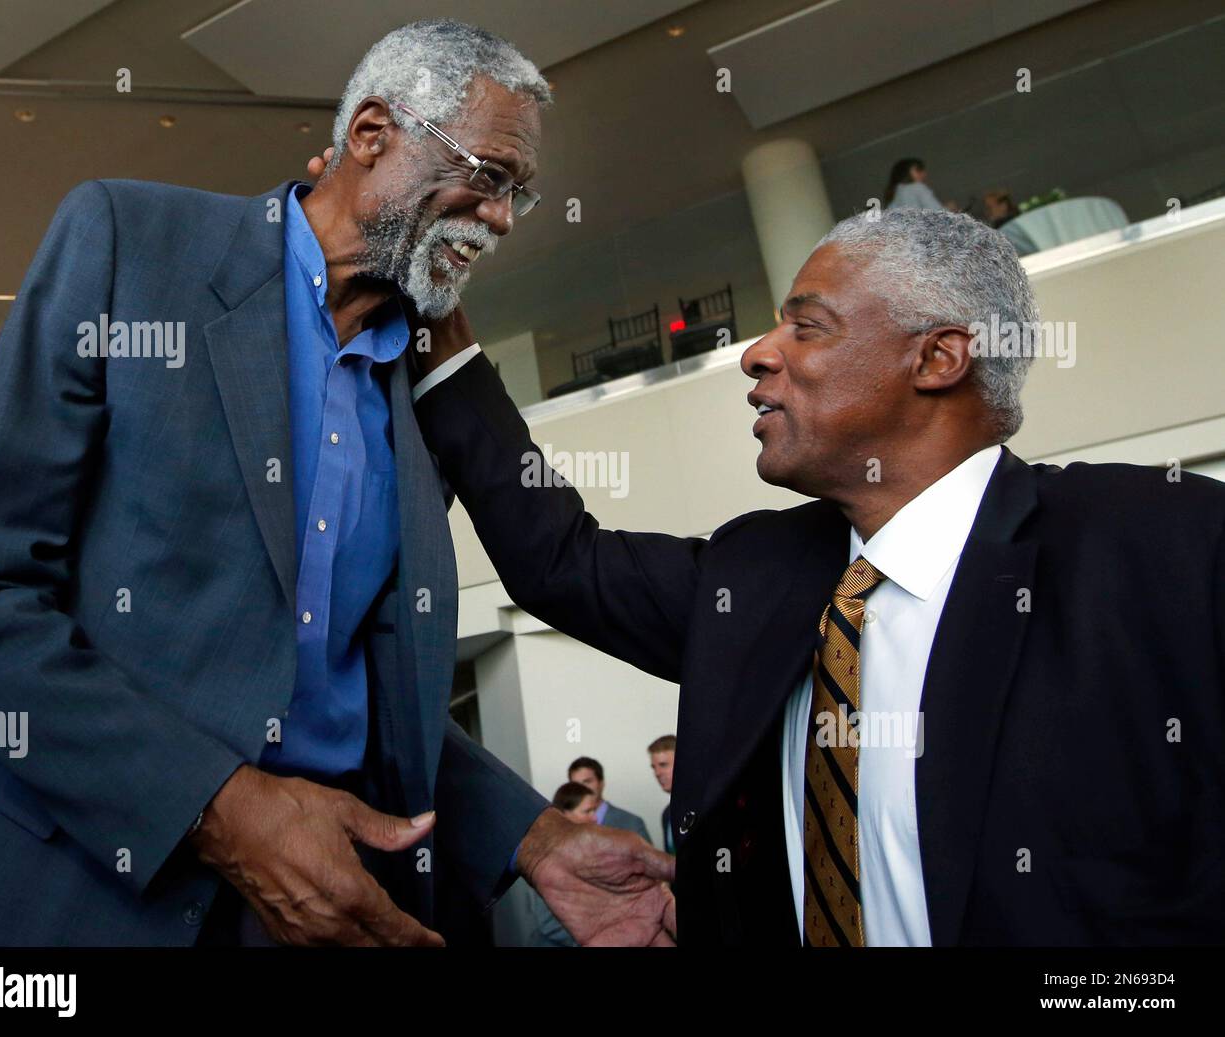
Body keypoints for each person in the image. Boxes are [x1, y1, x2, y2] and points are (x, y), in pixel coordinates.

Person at [0, 19, 673, 948]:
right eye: (487, 175)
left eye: (520, 192)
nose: (503, 218)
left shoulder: (426, 389)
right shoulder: (130, 244)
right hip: (55, 903)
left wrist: (537, 835)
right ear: (371, 134)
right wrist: (222, 809)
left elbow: (363, 696)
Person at [409, 207, 1225, 946]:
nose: (758, 354)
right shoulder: (754, 577)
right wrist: (438, 329)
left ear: (937, 357)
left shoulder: (1167, 544)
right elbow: (562, 562)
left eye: (807, 327)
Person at [528, 782, 599, 947]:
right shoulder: (547, 857)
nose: (595, 817)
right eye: (587, 811)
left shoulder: (589, 851)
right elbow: (548, 924)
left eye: (594, 810)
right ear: (565, 814)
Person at [569, 757, 652, 845]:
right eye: (575, 785)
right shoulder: (566, 825)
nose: (582, 789)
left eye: (587, 782)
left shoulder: (631, 823)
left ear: (601, 783)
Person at [648, 736, 676, 855]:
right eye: (654, 767)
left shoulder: (707, 806)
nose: (657, 773)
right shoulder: (667, 814)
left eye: (663, 765)